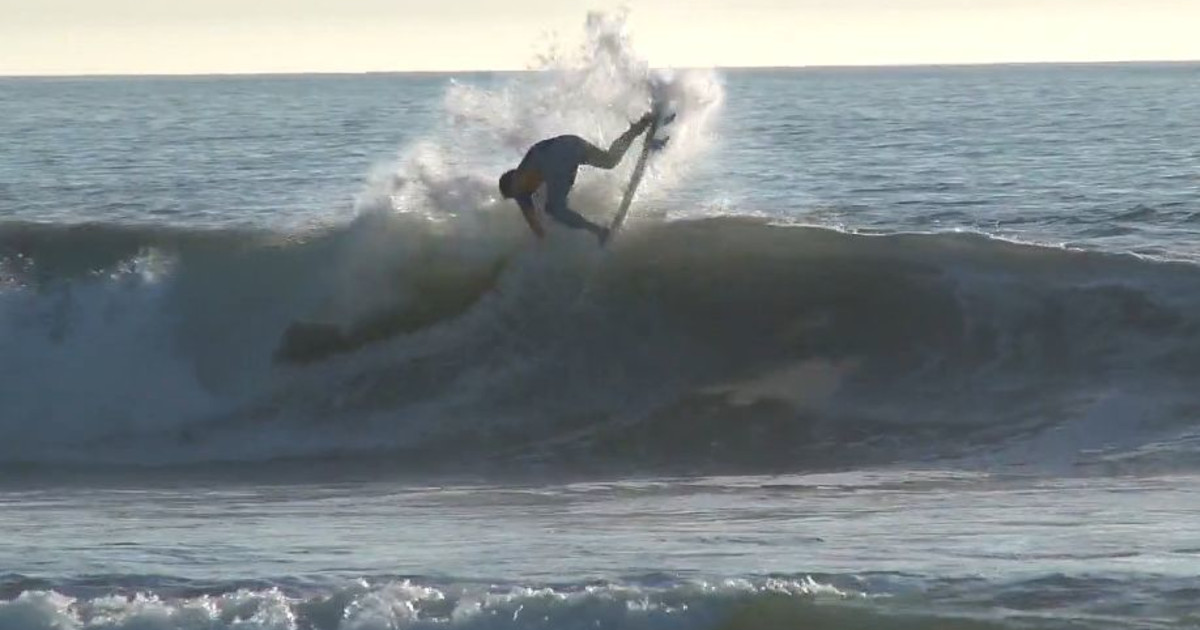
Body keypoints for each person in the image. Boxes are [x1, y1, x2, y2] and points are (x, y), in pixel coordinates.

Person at [498, 112, 656, 245]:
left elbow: (535, 226)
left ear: (510, 188)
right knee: (609, 161)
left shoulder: (519, 190)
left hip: (558, 157)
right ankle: (638, 128)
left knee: (554, 209)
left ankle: (599, 232)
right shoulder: (528, 169)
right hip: (570, 142)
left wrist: (544, 244)